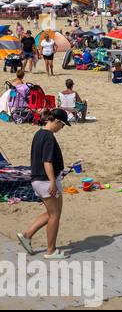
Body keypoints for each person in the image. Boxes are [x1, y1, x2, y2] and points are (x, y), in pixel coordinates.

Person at [15, 109, 70, 259]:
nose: (62, 128)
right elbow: (47, 161)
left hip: (37, 180)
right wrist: (52, 182)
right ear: (57, 121)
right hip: (46, 180)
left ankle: (27, 235)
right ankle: (50, 251)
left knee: (52, 212)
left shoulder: (39, 133)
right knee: (55, 215)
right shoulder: (49, 137)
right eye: (63, 125)